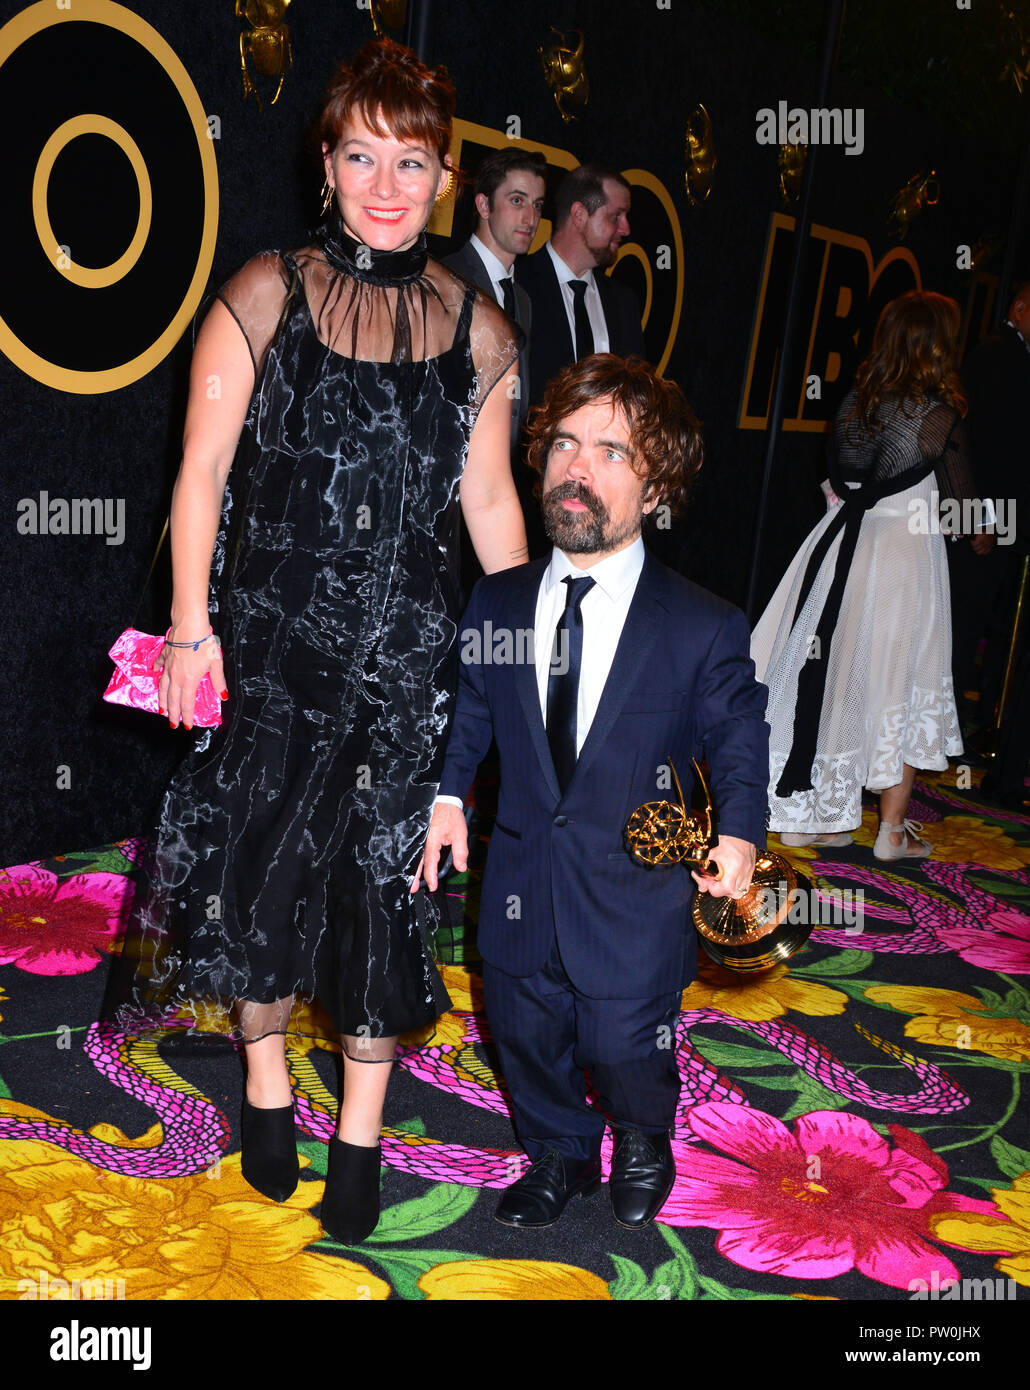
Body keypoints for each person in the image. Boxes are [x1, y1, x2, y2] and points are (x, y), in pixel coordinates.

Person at [106, 38, 527, 1245]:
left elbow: (491, 506)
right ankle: (266, 1086)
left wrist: (541, 647)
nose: (386, 186)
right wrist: (190, 628)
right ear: (326, 162)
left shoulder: (479, 329)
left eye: (411, 161)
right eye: (360, 156)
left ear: (445, 175)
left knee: (382, 895)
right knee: (261, 883)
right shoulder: (263, 291)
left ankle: (363, 1132)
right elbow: (199, 472)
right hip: (272, 654)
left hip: (407, 669)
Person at [413, 354, 769, 1230]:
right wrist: (450, 794)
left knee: (622, 1044)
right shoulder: (496, 604)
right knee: (525, 1037)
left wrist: (743, 834)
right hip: (525, 883)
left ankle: (645, 1135)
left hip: (637, 892)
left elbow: (738, 734)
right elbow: (472, 713)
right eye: (565, 444)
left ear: (656, 489)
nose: (578, 467)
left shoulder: (699, 623)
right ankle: (561, 1152)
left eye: (612, 451)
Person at [752, 291, 976, 860]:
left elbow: (836, 481)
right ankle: (891, 831)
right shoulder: (939, 416)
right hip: (904, 560)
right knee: (896, 682)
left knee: (836, 678)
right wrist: (990, 527)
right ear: (938, 347)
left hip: (839, 553)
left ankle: (814, 817)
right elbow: (962, 507)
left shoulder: (855, 402)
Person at [949, 281, 1030, 728]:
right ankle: (953, 725)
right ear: (1018, 308)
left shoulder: (1011, 357)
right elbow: (979, 447)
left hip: (1002, 518)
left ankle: (973, 722)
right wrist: (984, 518)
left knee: (991, 622)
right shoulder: (997, 355)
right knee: (967, 620)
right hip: (984, 516)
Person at [516, 164, 647, 410]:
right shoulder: (517, 284)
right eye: (615, 216)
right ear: (579, 215)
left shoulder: (624, 302)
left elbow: (636, 396)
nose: (626, 229)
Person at [442, 146, 546, 451]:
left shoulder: (522, 298)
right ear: (484, 206)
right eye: (517, 201)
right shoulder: (448, 279)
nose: (530, 218)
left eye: (538, 205)